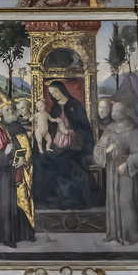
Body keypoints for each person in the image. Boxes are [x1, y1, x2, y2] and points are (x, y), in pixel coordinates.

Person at [33, 80, 95, 211]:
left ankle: (69, 200)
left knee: (65, 161)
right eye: (51, 93)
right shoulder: (55, 108)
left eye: (56, 91)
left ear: (62, 89)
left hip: (74, 147)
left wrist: (68, 132)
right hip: (56, 145)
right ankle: (46, 199)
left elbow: (84, 131)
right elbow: (50, 128)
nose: (54, 95)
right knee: (40, 159)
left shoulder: (75, 106)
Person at [0, 98, 35, 247]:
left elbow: (25, 146)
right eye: (7, 110)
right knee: (6, 203)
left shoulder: (17, 126)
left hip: (18, 168)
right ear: (0, 113)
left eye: (11, 109)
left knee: (20, 200)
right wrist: (3, 153)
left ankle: (23, 233)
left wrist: (24, 159)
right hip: (3, 174)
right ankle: (6, 236)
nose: (11, 111)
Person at [94, 97, 138, 245]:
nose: (114, 113)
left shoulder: (132, 129)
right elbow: (98, 149)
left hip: (126, 171)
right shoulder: (110, 129)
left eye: (116, 110)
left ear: (123, 111)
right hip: (111, 170)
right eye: (113, 110)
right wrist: (107, 150)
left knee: (126, 201)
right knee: (113, 201)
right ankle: (114, 235)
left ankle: (131, 235)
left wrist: (127, 164)